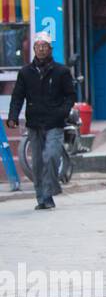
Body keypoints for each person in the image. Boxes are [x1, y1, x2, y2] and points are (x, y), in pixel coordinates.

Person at [5, 33, 76, 210]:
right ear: (34, 49)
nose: (41, 49)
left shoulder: (62, 72)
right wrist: (13, 116)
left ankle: (50, 191)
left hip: (55, 122)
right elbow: (17, 96)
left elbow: (70, 96)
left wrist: (63, 112)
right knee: (36, 162)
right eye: (38, 46)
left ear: (50, 49)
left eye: (45, 46)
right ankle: (42, 198)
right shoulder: (25, 73)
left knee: (51, 155)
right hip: (34, 122)